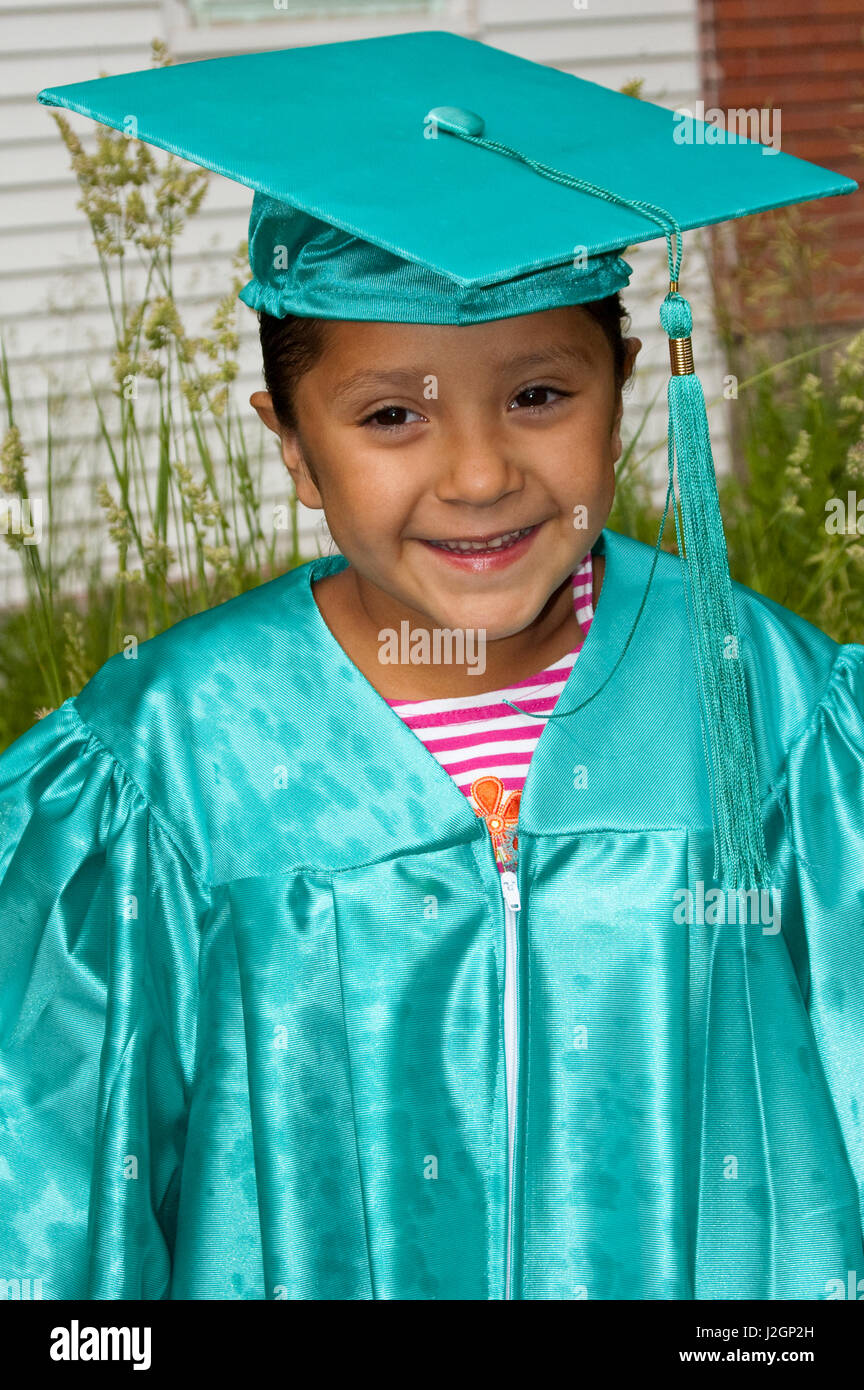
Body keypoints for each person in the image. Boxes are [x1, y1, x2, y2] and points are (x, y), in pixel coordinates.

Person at [0, 31, 861, 1300]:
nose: (476, 475)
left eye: (538, 396)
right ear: (289, 443)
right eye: (390, 415)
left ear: (623, 387)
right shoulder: (163, 758)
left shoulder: (776, 707)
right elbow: (59, 1193)